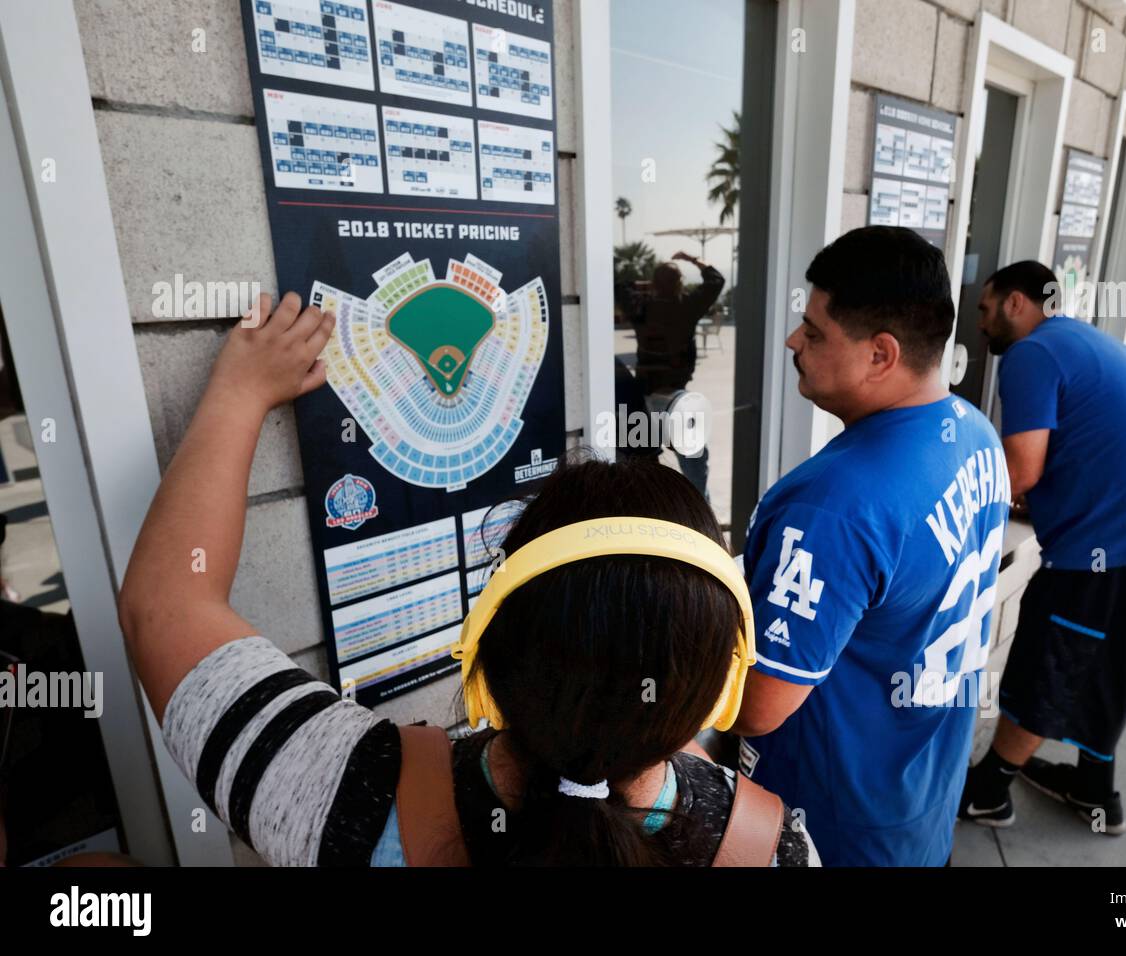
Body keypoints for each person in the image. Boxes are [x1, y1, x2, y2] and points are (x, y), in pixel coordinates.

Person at [117, 292, 817, 867]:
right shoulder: (773, 847)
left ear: (486, 653)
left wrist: (239, 392)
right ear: (723, 685)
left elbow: (165, 606)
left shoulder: (347, 793)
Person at [729, 226, 1010, 866]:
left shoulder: (834, 504)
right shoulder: (974, 433)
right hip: (921, 809)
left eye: (815, 331)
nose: (793, 341)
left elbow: (757, 707)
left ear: (880, 354)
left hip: (831, 833)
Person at [958, 261, 1126, 836]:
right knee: (1104, 666)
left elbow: (1019, 470)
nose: (981, 325)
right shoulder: (1082, 340)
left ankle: (989, 793)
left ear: (1018, 303)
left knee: (1051, 661)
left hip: (1121, 542)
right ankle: (1097, 792)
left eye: (984, 309)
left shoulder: (1032, 353)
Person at [626, 251, 724, 497]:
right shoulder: (686, 307)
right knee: (696, 477)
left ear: (655, 285)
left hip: (643, 400)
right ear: (680, 283)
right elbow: (716, 280)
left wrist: (642, 286)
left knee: (645, 474)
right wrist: (693, 259)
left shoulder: (642, 310)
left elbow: (619, 288)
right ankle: (700, 522)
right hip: (676, 401)